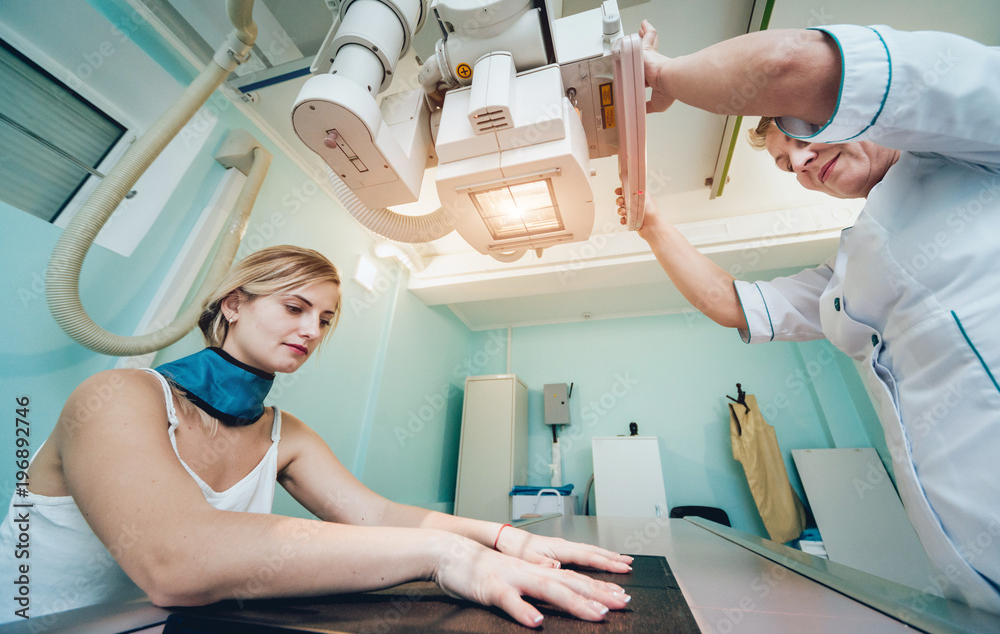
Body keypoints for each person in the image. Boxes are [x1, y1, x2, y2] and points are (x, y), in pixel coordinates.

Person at [0, 245, 632, 626]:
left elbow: (379, 515)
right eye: (295, 307)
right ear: (233, 305)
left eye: (325, 319)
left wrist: (504, 538)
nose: (312, 329)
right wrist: (447, 557)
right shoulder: (117, 397)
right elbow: (175, 561)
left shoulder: (284, 432)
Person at [624, 21, 1000, 613]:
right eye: (782, 164)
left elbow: (788, 64)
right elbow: (732, 302)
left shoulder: (975, 143)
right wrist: (650, 222)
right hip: (973, 591)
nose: (799, 161)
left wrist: (659, 74)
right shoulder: (849, 272)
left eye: (801, 135)